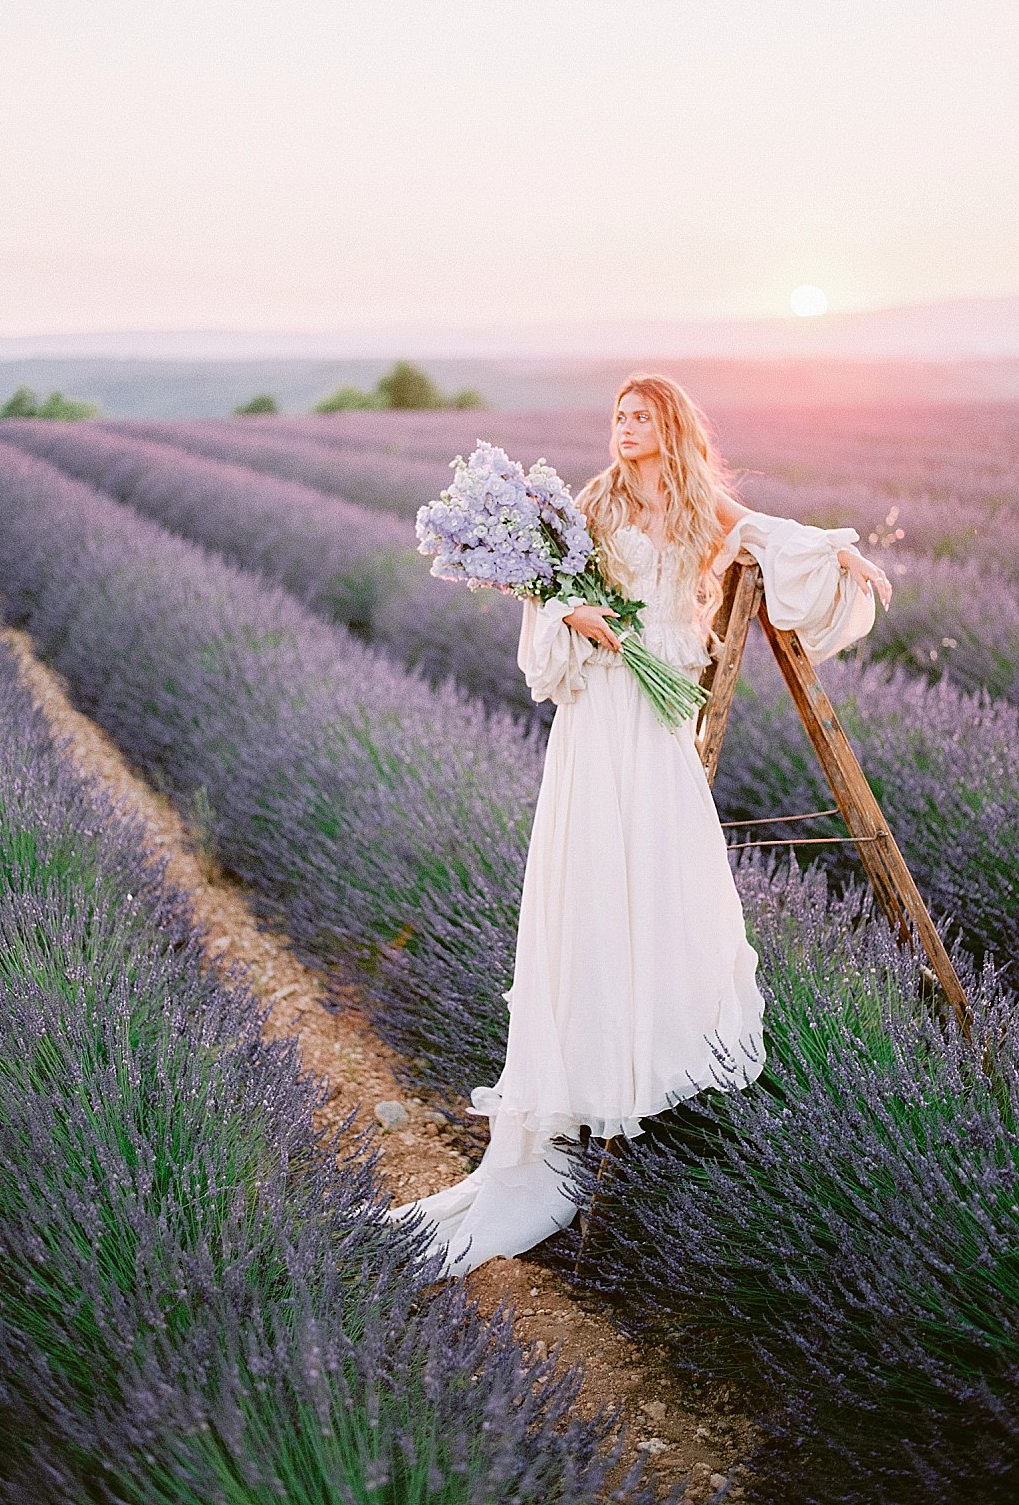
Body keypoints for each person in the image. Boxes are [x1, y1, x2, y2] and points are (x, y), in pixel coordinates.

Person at [380, 374, 891, 1277]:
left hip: (659, 712)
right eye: (617, 416)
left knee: (666, 869)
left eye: (640, 416)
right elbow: (544, 585)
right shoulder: (591, 499)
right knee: (593, 870)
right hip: (601, 705)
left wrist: (844, 556)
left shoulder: (698, 499)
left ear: (670, 427)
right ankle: (583, 1077)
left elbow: (760, 533)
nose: (624, 428)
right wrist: (570, 610)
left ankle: (655, 1040)